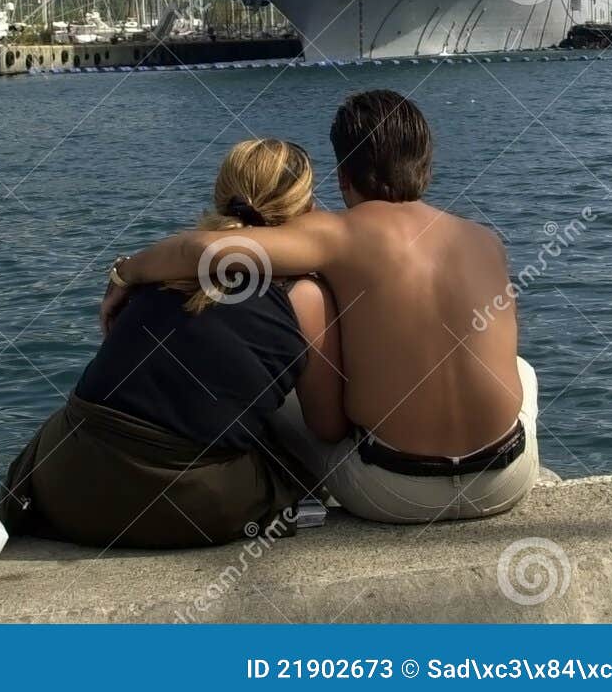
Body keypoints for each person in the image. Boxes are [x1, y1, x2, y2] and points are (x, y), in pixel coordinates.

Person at [115, 90, 539, 524]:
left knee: (287, 400)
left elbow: (201, 251)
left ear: (342, 176)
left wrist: (124, 273)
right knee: (522, 370)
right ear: (427, 168)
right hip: (503, 481)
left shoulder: (335, 233)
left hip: (394, 493)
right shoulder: (486, 241)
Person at [0, 139, 345, 548]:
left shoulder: (163, 266)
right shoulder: (304, 298)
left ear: (222, 196)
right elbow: (328, 426)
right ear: (305, 209)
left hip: (67, 489)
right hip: (186, 506)